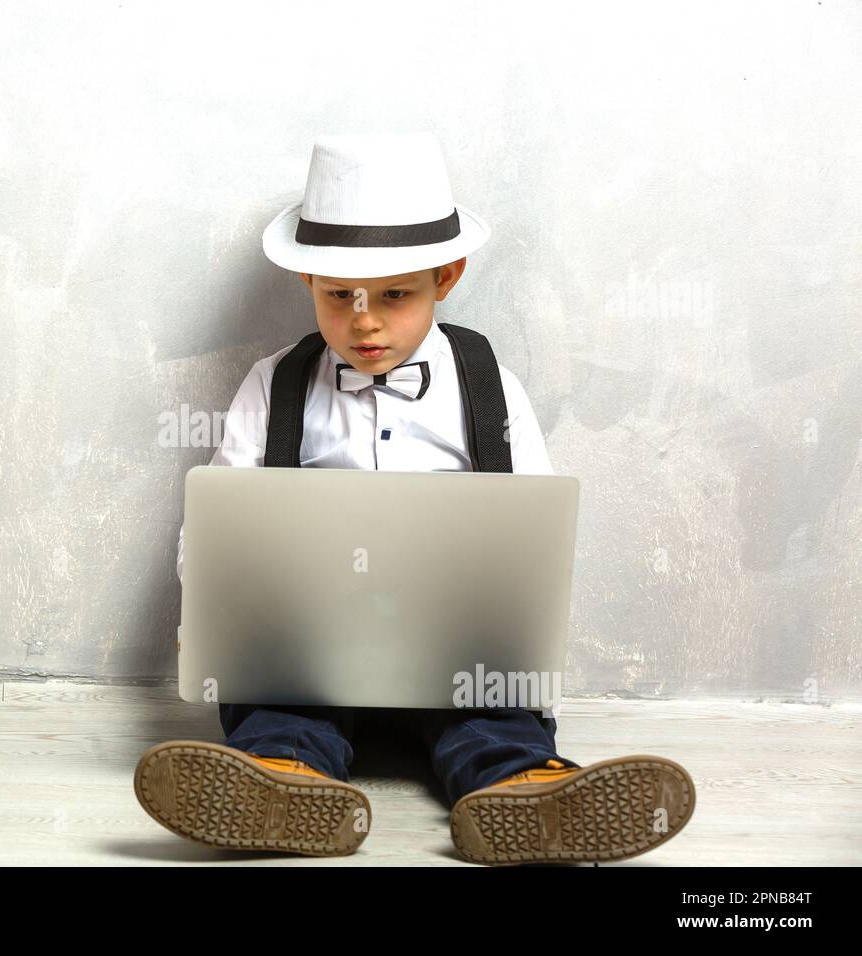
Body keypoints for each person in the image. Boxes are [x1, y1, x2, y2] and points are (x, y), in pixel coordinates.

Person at [134, 132, 694, 864]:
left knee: (492, 711)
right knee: (279, 709)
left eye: (395, 295)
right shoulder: (274, 385)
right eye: (341, 297)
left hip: (458, 651)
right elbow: (212, 530)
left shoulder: (489, 383)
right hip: (308, 649)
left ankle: (523, 788)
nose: (364, 320)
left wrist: (520, 645)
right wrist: (209, 615)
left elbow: (538, 538)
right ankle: (281, 779)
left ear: (447, 276)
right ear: (309, 284)